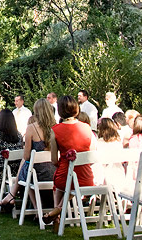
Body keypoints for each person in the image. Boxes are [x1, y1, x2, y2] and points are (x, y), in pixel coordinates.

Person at [45, 94, 95, 226]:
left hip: (65, 177)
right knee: (69, 182)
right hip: (86, 177)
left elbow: (54, 160)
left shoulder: (55, 130)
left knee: (60, 183)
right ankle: (57, 211)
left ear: (60, 110)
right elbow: (92, 154)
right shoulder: (87, 127)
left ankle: (57, 212)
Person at [0, 98, 56, 210]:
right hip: (55, 172)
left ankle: (19, 199)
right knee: (27, 169)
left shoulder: (31, 128)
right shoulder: (56, 127)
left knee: (25, 166)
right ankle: (14, 196)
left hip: (37, 174)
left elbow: (26, 156)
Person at [93, 117, 125, 188]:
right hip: (118, 174)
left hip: (104, 176)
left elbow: (98, 159)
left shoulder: (99, 142)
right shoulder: (118, 141)